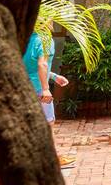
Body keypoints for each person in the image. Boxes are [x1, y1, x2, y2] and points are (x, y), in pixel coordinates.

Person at [23, 30, 74, 169]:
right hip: (38, 88)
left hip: (22, 87)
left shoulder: (24, 37)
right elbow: (42, 65)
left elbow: (30, 66)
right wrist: (45, 88)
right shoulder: (44, 39)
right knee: (48, 123)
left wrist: (54, 77)